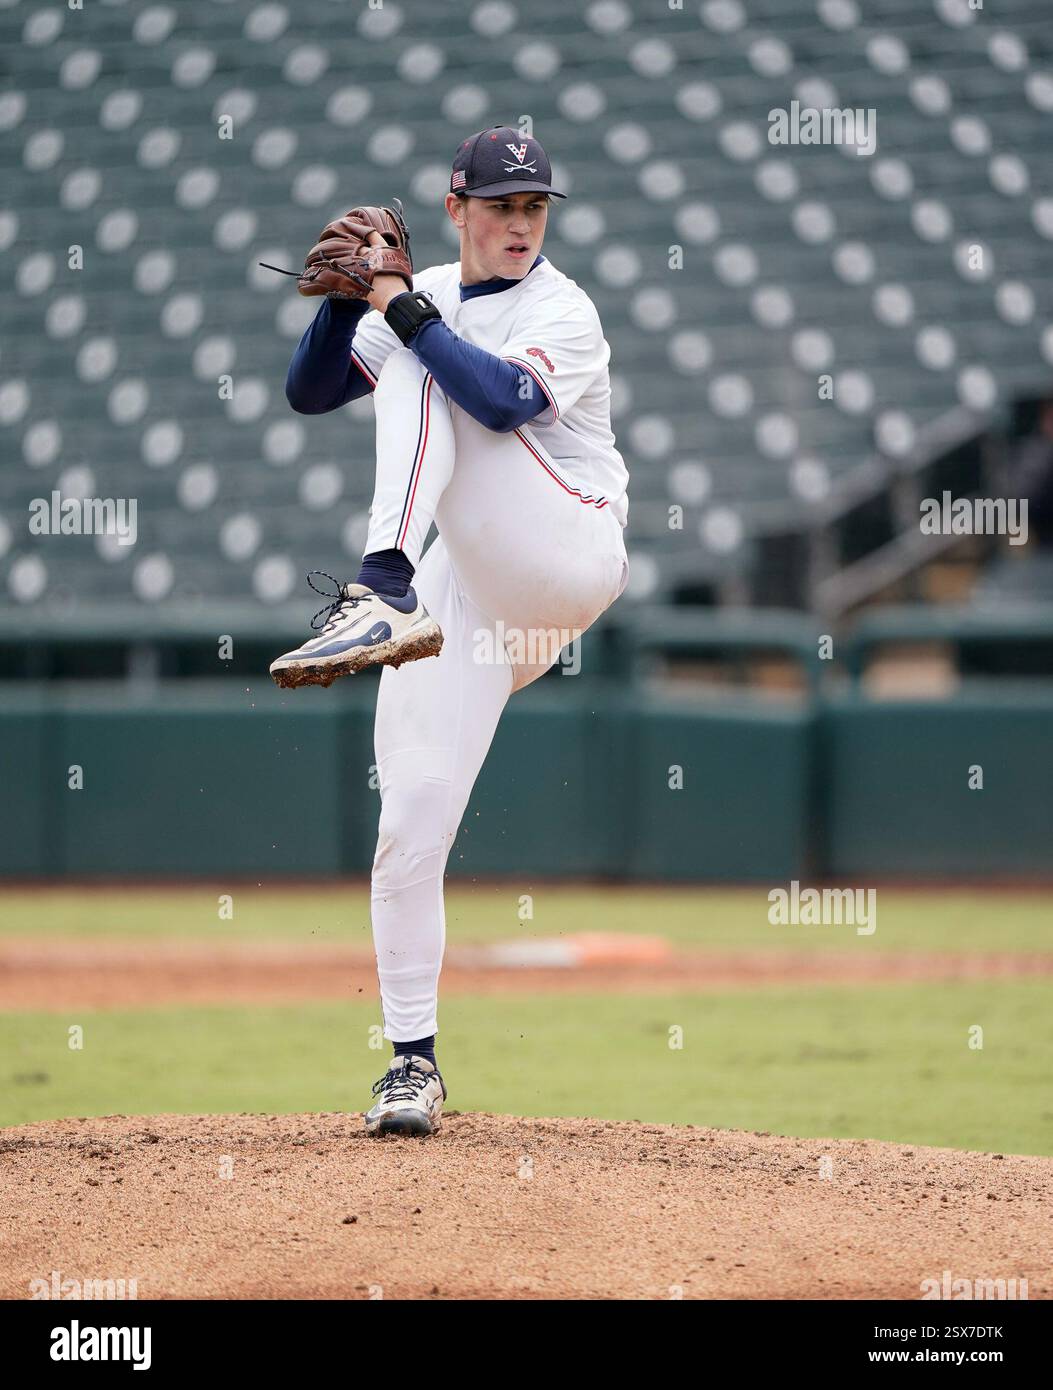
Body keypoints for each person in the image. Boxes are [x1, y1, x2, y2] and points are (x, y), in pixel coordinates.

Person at [274, 126, 630, 1135]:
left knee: (436, 368)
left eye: (535, 207)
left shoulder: (562, 307)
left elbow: (505, 400)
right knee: (409, 823)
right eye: (501, 205)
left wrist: (396, 303)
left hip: (564, 550)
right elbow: (311, 392)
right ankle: (411, 1064)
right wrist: (349, 300)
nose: (520, 223)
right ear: (456, 207)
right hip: (470, 592)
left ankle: (381, 580)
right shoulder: (417, 285)